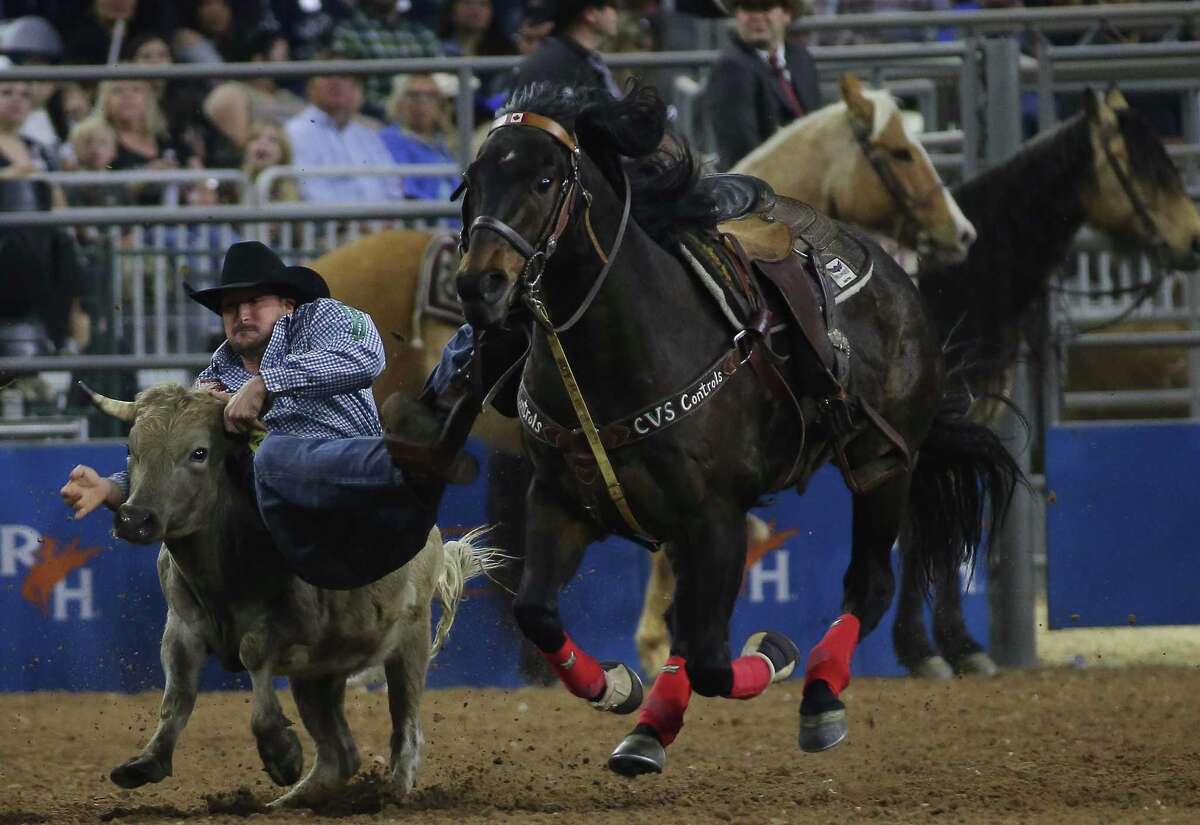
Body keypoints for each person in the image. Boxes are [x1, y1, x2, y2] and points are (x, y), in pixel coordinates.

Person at [59, 241, 477, 589]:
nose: (241, 316)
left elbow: (366, 357)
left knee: (471, 334)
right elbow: (184, 460)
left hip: (362, 505)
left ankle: (433, 431)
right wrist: (112, 490)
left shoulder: (325, 317)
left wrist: (265, 384)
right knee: (269, 460)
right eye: (230, 308)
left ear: (287, 304)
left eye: (255, 302)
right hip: (300, 535)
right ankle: (420, 454)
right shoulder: (213, 378)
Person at [705, 0, 820, 171]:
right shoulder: (731, 68)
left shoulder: (801, 58)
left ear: (786, 14)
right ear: (737, 15)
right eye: (749, 7)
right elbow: (743, 157)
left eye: (766, 7)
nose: (757, 17)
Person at [284, 59, 405, 204]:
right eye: (327, 75)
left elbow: (393, 186)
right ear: (310, 87)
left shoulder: (368, 136)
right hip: (330, 223)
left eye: (344, 76)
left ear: (356, 89)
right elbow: (309, 191)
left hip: (382, 222)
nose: (336, 82)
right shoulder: (294, 132)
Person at [329, 0, 441, 119]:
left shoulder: (422, 33)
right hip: (369, 116)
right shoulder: (348, 32)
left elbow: (440, 80)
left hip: (420, 116)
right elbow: (345, 88)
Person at [505, 0, 621, 98]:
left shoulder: (589, 60)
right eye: (612, 6)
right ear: (590, 14)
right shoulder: (549, 66)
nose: (616, 13)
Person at [379, 73, 460, 201]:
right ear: (399, 102)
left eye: (430, 96)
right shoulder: (390, 140)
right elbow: (407, 193)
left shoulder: (443, 143)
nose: (421, 103)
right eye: (413, 95)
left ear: (440, 105)